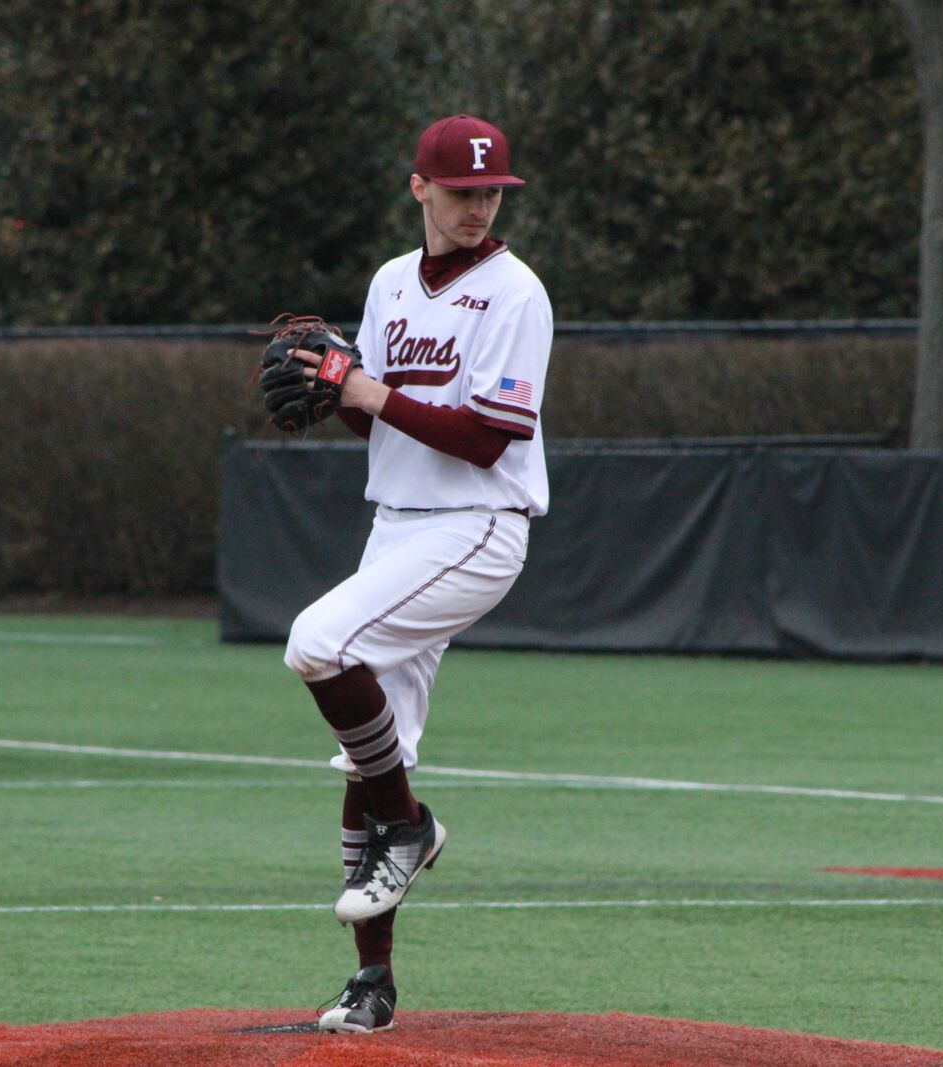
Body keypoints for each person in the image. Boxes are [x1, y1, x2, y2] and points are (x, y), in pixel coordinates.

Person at [279, 114, 552, 1034]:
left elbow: (485, 437)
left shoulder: (518, 294)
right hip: (396, 527)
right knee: (372, 751)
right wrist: (335, 387)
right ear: (420, 189)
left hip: (478, 526)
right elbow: (378, 415)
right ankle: (372, 983)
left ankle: (412, 826)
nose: (478, 205)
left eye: (492, 192)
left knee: (317, 642)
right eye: (463, 190)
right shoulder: (392, 282)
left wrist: (365, 389)